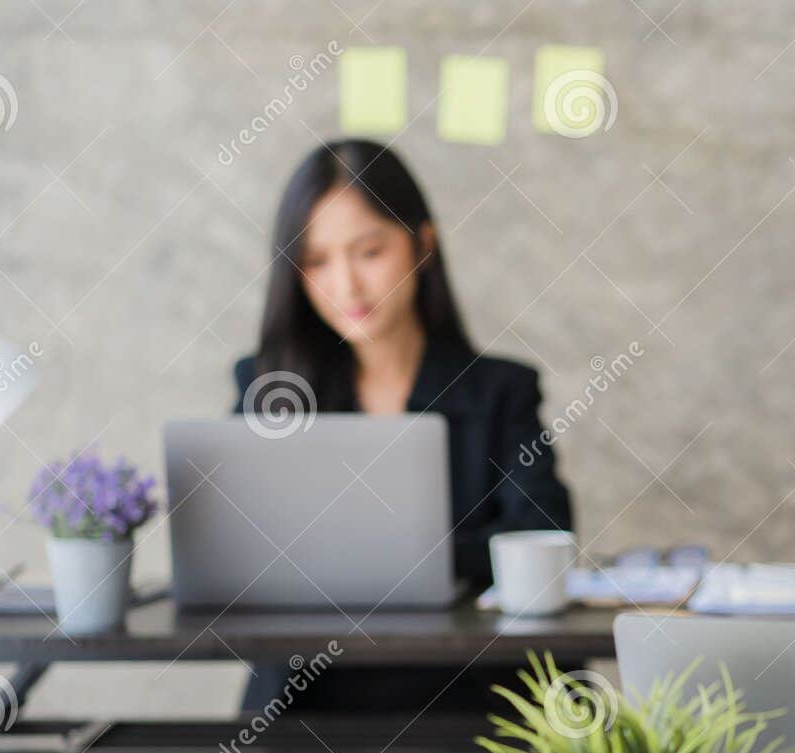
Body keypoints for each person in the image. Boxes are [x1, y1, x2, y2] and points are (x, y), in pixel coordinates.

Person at [235, 139, 573, 714]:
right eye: (317, 262)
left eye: (369, 252)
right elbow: (242, 555)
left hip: (475, 696)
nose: (346, 286)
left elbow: (539, 542)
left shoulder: (500, 392)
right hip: (310, 701)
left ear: (423, 244)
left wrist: (350, 561)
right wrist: (446, 557)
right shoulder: (269, 391)